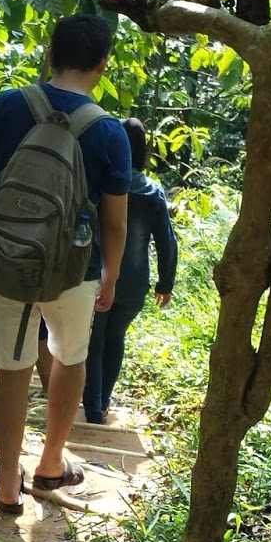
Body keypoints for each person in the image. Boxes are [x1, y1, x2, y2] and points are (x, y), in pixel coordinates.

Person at [0, 14, 131, 514]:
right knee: (68, 357)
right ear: (102, 65)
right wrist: (112, 272)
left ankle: (8, 484)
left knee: (13, 369)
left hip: (8, 258)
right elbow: (115, 222)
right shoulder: (108, 132)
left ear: (49, 53)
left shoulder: (8, 107)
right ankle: (51, 464)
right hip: (75, 268)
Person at [83, 117, 177, 423]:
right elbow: (166, 240)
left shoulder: (101, 183)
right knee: (115, 337)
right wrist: (166, 282)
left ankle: (93, 408)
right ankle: (103, 401)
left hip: (98, 274)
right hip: (134, 283)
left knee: (95, 342)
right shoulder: (153, 191)